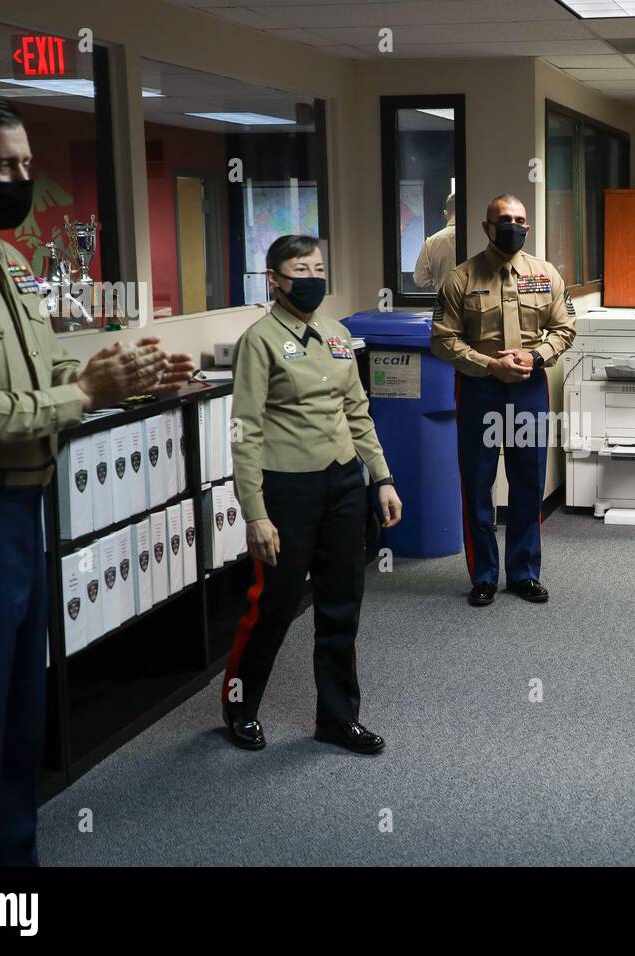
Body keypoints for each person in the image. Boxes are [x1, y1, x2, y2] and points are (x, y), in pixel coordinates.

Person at [0, 90, 193, 866]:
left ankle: (6, 886)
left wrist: (142, 374)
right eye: (0, 164)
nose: (19, 179)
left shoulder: (10, 261)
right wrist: (90, 392)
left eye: (26, 162)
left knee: (21, 721)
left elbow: (54, 368)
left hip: (22, 509)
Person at [223, 234, 402, 754]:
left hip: (344, 480)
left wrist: (382, 477)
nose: (312, 278)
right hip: (287, 487)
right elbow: (244, 431)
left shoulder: (337, 333)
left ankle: (338, 719)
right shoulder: (259, 340)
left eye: (319, 267)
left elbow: (357, 411)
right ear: (274, 280)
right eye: (300, 269)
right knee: (274, 603)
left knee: (342, 600)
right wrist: (255, 513)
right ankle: (240, 705)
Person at [431, 194, 576, 607]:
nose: (514, 225)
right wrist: (487, 364)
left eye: (520, 220)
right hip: (480, 387)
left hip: (529, 386)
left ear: (528, 227)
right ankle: (483, 575)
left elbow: (564, 328)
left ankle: (524, 573)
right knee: (478, 484)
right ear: (486, 226)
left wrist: (534, 356)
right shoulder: (461, 278)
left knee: (528, 481)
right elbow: (443, 340)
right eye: (505, 219)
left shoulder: (545, 275)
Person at [414, 192, 457, 291]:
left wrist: (438, 282)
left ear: (445, 213)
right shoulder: (477, 237)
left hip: (443, 301)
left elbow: (420, 280)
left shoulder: (431, 242)